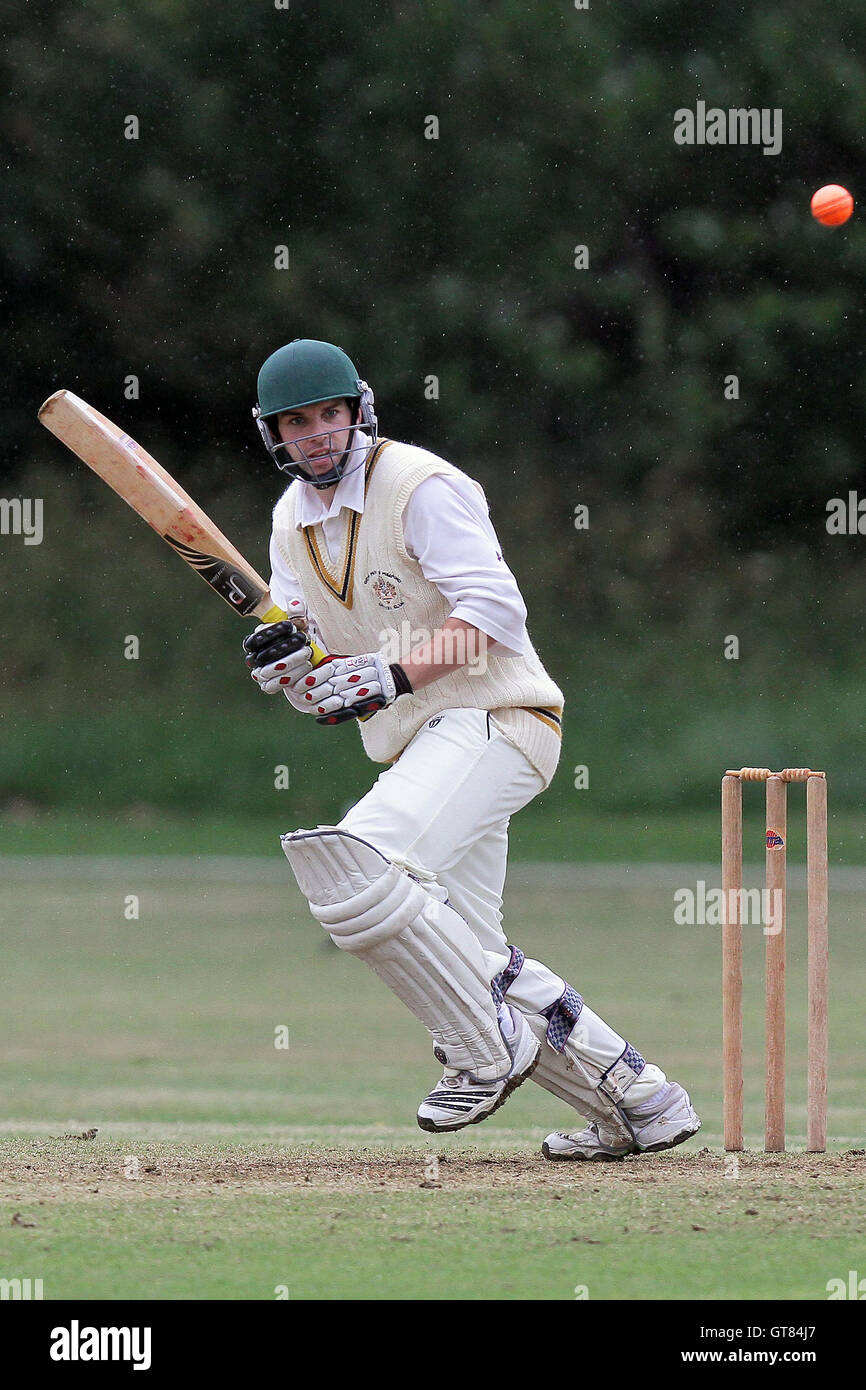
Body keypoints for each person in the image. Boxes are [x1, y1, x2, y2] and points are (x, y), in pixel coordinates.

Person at [243, 338, 701, 1160]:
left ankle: (485, 1046)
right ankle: (639, 1100)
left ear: (358, 412)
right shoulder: (289, 522)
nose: (316, 434)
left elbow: (496, 611)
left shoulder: (420, 486)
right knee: (470, 951)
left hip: (497, 718)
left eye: (329, 415)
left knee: (359, 864)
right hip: (421, 746)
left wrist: (393, 674)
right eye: (297, 422)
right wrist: (293, 673)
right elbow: (315, 665)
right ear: (274, 434)